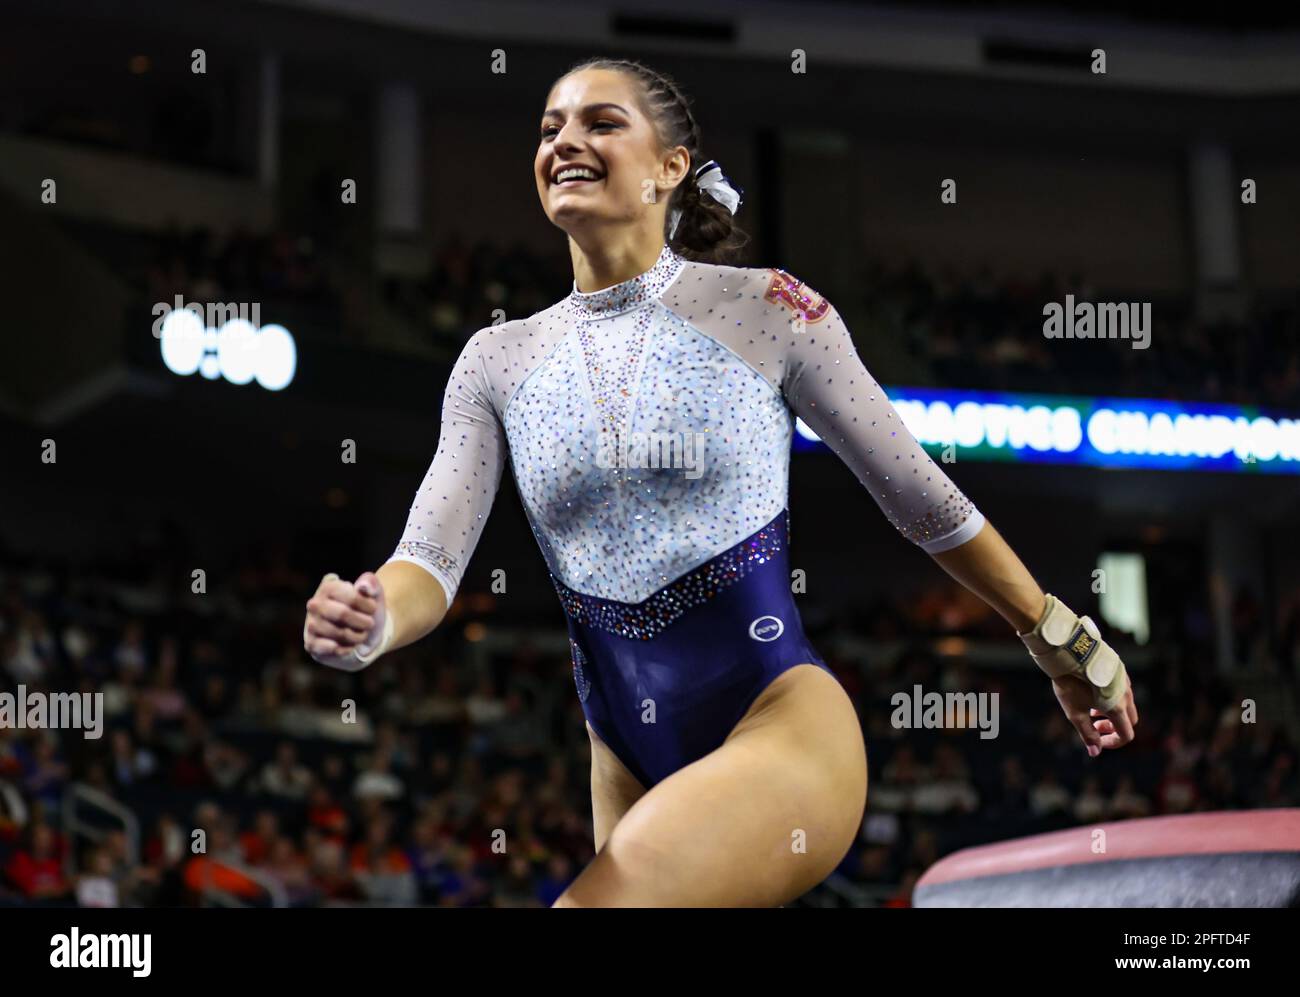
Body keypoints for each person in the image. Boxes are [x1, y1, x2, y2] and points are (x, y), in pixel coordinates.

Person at [304, 57, 1139, 907]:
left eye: (601, 122)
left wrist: (1059, 638)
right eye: (551, 127)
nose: (565, 142)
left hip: (781, 728)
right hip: (625, 761)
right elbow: (431, 561)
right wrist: (373, 618)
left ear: (671, 166)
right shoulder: (495, 360)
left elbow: (923, 499)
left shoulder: (769, 309)